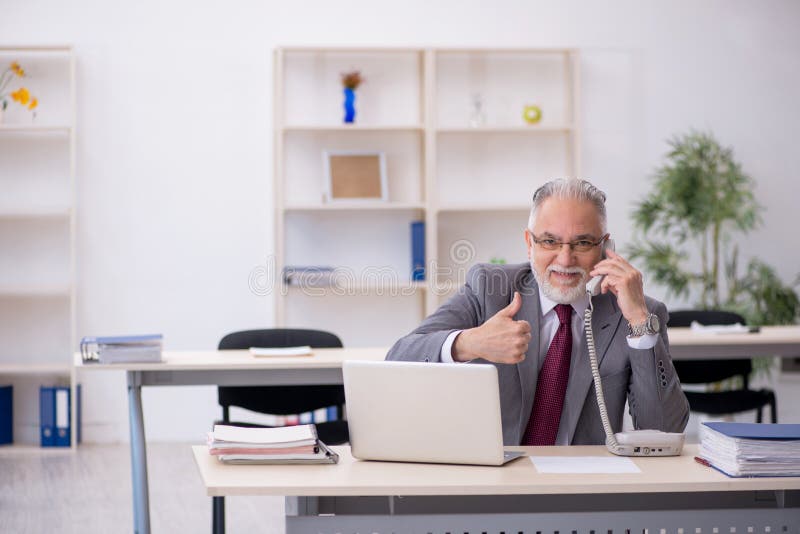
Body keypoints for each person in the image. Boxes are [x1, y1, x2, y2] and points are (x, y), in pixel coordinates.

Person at [386, 178, 689, 446]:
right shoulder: (489, 287)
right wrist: (470, 343)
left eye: (582, 242)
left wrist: (638, 322)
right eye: (549, 241)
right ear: (529, 243)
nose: (565, 258)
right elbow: (399, 357)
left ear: (606, 247)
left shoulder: (640, 312)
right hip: (492, 479)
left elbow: (665, 429)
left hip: (585, 485)